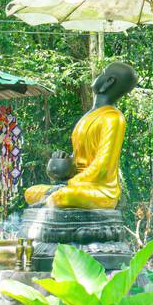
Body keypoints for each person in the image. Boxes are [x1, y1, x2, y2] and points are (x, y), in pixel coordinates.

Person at [25, 62, 136, 210]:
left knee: (61, 196)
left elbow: (102, 167)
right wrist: (64, 163)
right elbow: (77, 162)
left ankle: (52, 200)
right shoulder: (88, 117)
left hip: (100, 190)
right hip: (76, 185)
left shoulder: (113, 118)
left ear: (109, 82)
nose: (98, 76)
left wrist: (68, 184)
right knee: (31, 193)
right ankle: (51, 199)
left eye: (102, 72)